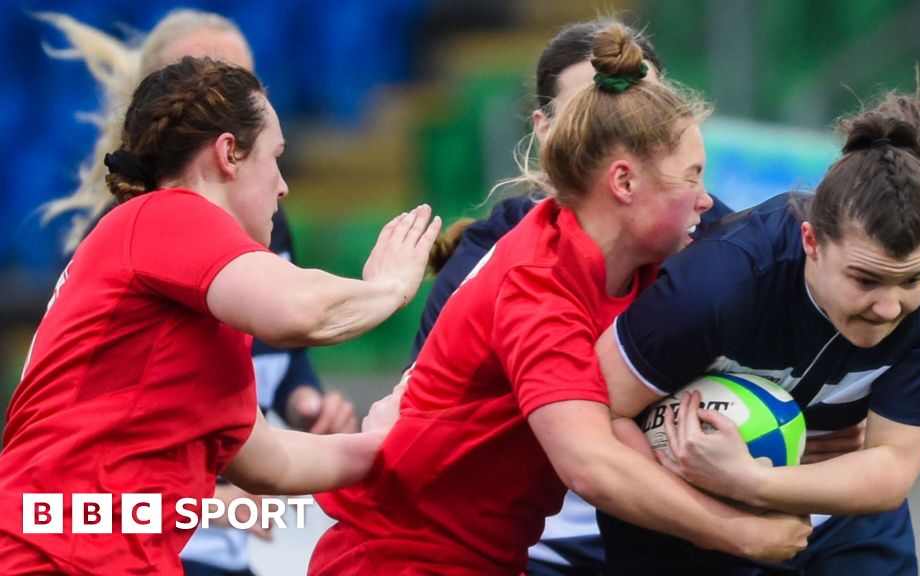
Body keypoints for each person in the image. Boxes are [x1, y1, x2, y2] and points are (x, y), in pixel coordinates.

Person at [311, 23, 811, 576]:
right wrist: (740, 534)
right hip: (401, 559)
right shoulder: (538, 282)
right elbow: (590, 465)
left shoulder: (642, 266)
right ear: (623, 183)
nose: (705, 199)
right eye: (692, 177)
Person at [0, 56, 440, 576]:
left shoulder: (201, 311)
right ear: (229, 152)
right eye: (275, 157)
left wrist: (397, 441)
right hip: (55, 557)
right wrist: (389, 289)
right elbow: (297, 310)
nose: (283, 186)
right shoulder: (167, 215)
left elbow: (273, 463)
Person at [35, 10, 359, 574]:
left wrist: (315, 409)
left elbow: (265, 418)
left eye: (239, 79)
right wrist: (393, 283)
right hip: (125, 538)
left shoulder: (259, 226)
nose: (224, 98)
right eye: (204, 78)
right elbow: (90, 450)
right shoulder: (149, 225)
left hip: (193, 538)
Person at [594, 90, 920, 575]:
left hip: (835, 507)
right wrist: (718, 514)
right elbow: (598, 415)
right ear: (811, 241)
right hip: (684, 513)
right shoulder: (719, 285)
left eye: (911, 278)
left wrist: (753, 481)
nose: (889, 306)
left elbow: (891, 467)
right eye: (865, 279)